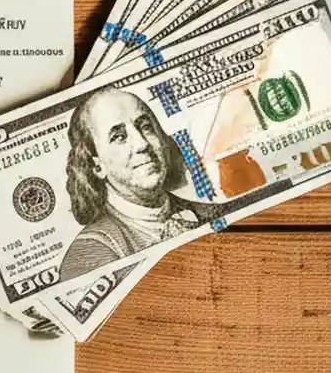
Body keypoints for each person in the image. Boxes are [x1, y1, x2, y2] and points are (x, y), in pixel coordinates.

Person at [59, 88, 216, 281]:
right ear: (96, 166)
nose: (142, 144)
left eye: (146, 127)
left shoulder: (212, 214)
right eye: (119, 137)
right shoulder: (90, 255)